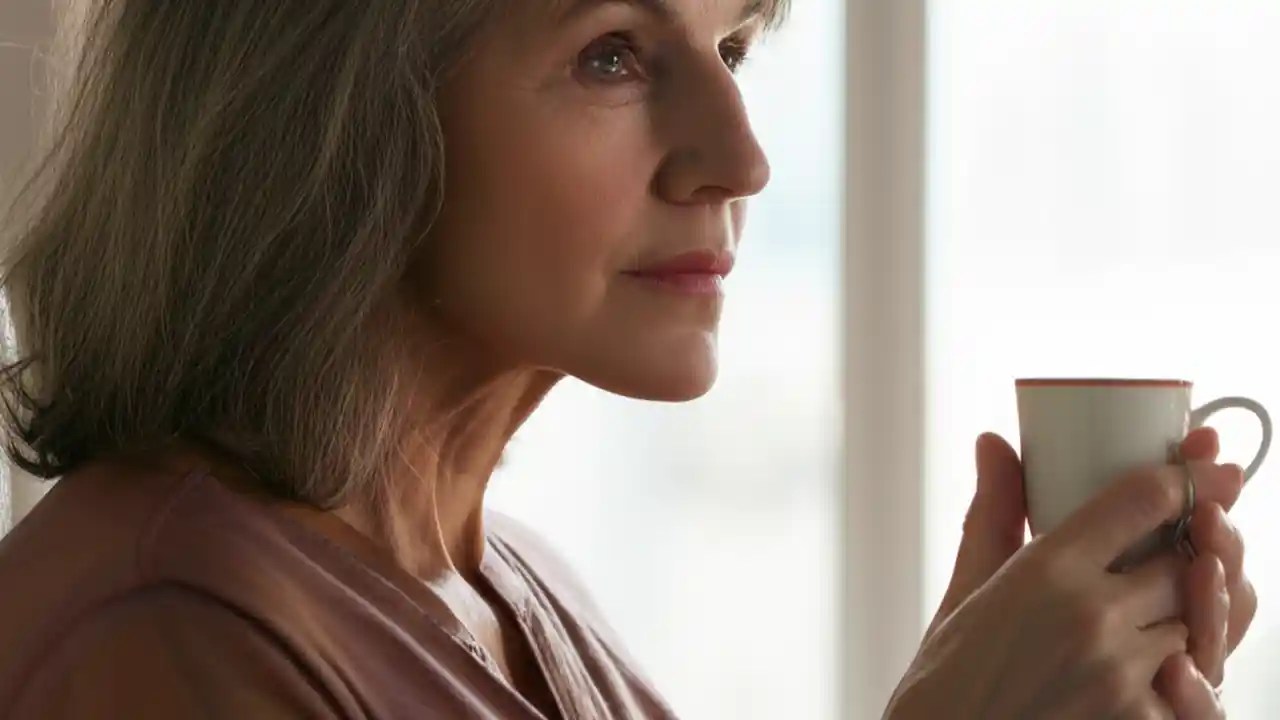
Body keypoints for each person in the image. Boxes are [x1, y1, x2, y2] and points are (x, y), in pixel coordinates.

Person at [0, 0, 1253, 718]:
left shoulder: (514, 590)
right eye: (611, 53)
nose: (740, 159)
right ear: (325, 115)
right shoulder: (160, 637)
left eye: (732, 47)